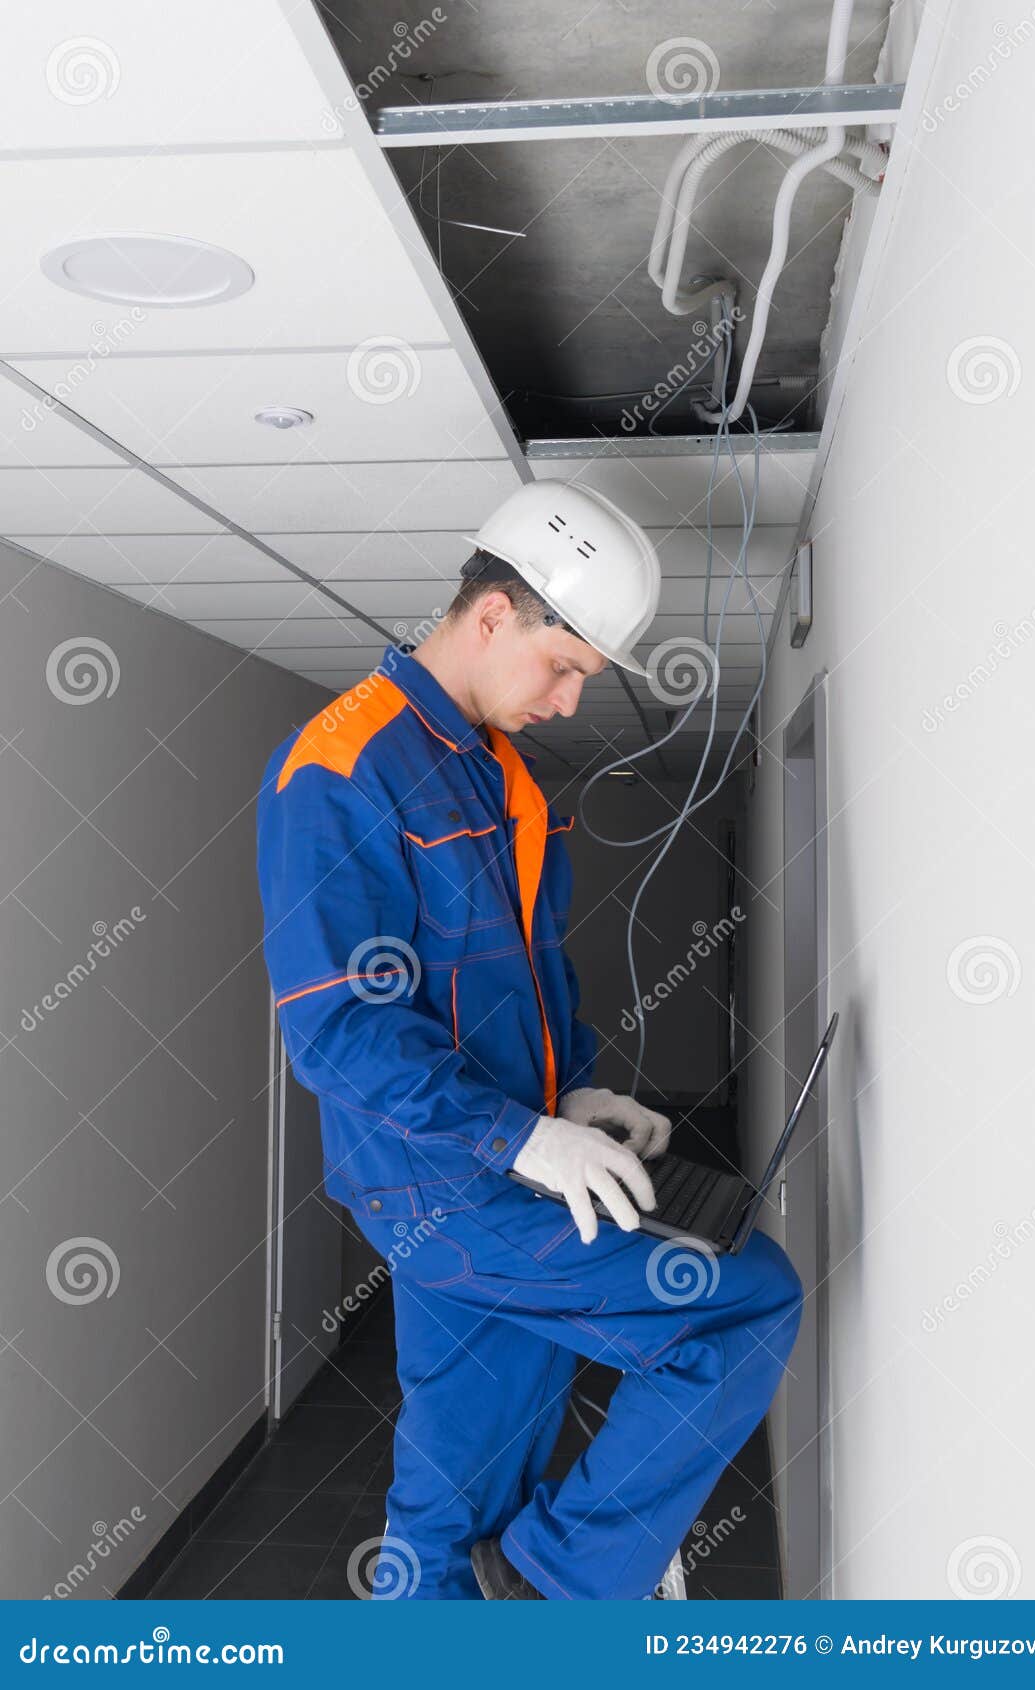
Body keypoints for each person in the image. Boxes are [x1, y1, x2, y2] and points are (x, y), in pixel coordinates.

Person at [255, 478, 804, 1600]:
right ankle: (561, 1588)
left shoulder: (504, 776)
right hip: (445, 1188)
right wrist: (520, 1138)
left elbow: (533, 973)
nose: (563, 702)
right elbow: (335, 1029)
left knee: (454, 1498)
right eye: (561, 667)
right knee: (743, 1301)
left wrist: (577, 1097)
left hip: (506, 1164)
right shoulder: (338, 767)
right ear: (493, 613)